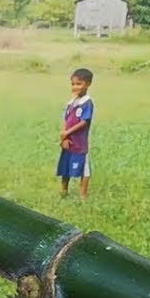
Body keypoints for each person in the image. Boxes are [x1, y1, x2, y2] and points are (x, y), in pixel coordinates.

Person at [57, 68, 94, 199]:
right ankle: (63, 190)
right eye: (73, 84)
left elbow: (83, 122)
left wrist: (67, 132)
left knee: (85, 170)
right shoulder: (71, 103)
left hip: (80, 144)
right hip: (68, 142)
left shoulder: (87, 103)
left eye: (79, 84)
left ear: (87, 84)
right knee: (65, 166)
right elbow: (65, 119)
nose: (75, 87)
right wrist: (64, 136)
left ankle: (83, 195)